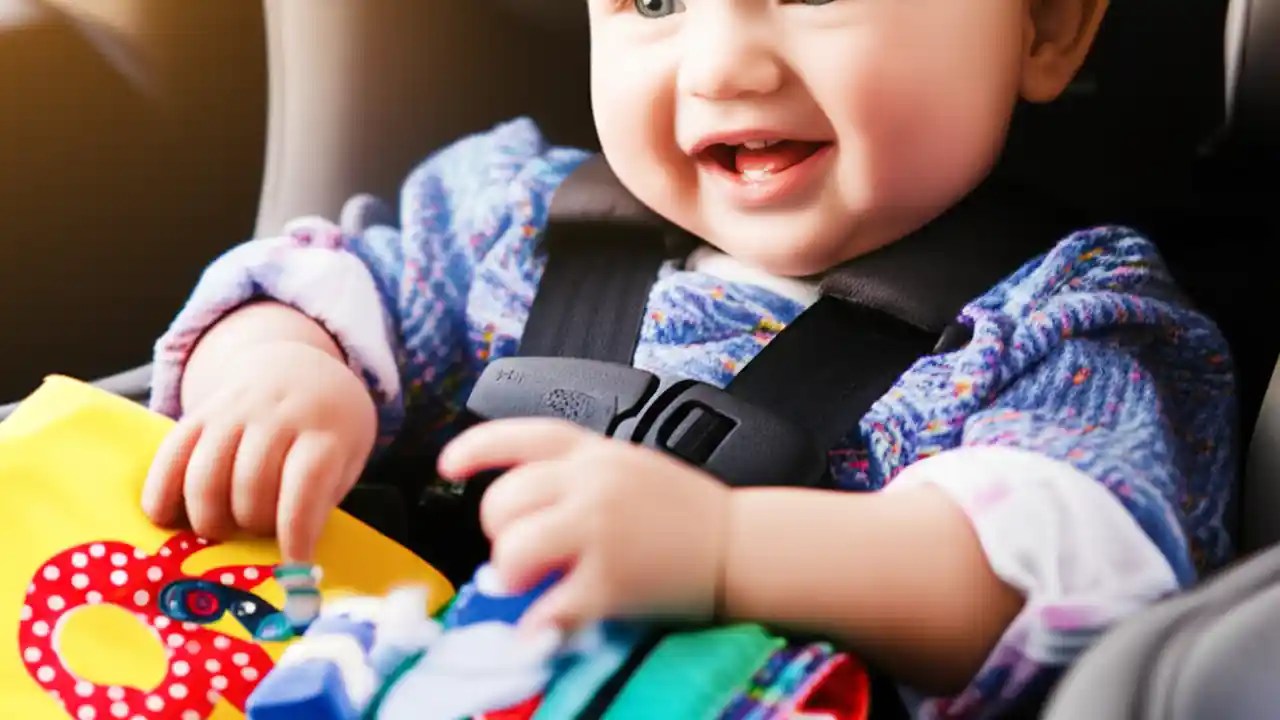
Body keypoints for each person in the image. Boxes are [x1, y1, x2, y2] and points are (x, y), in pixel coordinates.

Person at [139, 0, 1236, 715]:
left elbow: (1051, 576)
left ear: (1042, 27)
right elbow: (317, 289)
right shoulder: (505, 219)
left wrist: (724, 547)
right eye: (654, 2)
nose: (719, 65)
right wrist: (280, 375)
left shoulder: (1061, 321)